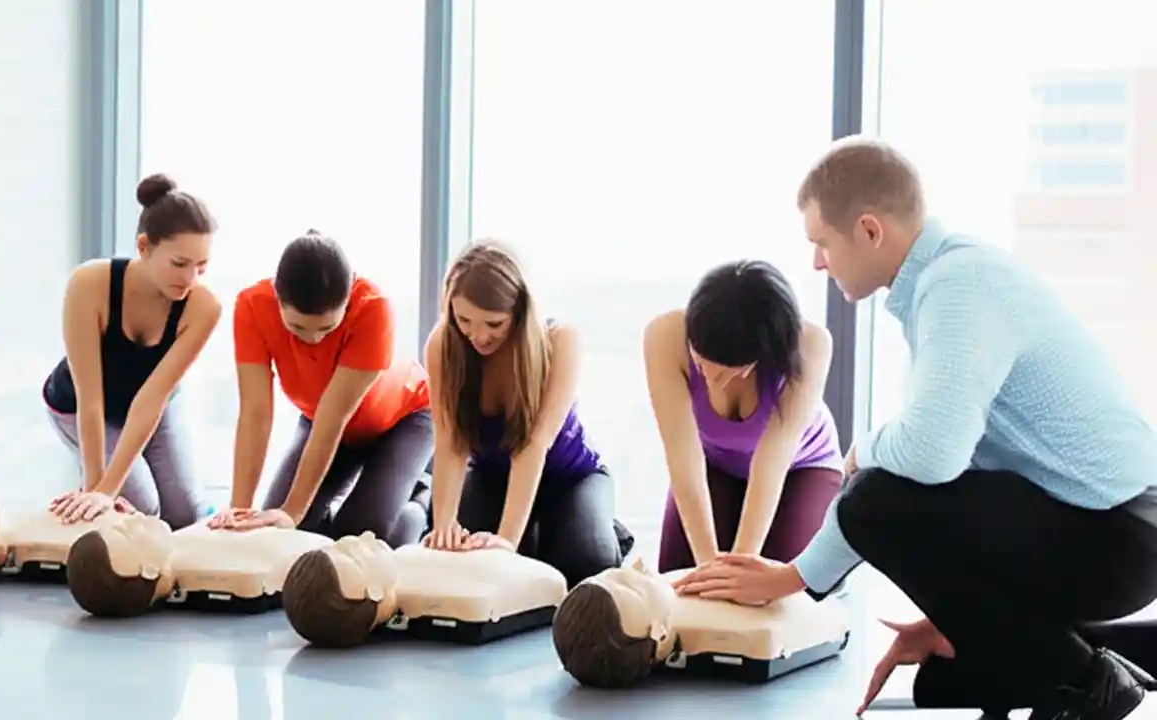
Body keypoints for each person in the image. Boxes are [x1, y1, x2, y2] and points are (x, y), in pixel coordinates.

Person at [680, 137, 1157, 719]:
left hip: (1117, 535)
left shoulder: (958, 288)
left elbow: (930, 457)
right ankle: (1118, 654)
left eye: (822, 242)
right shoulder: (950, 279)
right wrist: (946, 613)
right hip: (1097, 527)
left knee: (874, 496)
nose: (817, 262)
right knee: (943, 685)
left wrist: (861, 453)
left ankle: (1090, 683)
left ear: (870, 230)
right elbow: (957, 469)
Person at [208, 231, 433, 547]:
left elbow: (334, 417)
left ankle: (421, 497)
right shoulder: (252, 306)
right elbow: (256, 413)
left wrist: (293, 511)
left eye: (327, 328)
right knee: (276, 528)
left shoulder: (374, 308)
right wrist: (239, 511)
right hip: (321, 421)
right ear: (277, 297)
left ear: (348, 298)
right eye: (297, 327)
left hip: (404, 420)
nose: (313, 339)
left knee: (360, 534)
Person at [420, 240, 626, 587]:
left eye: (494, 323)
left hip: (572, 477)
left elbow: (533, 444)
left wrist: (507, 543)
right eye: (465, 319)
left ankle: (594, 530)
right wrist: (443, 524)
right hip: (492, 477)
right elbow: (450, 443)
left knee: (585, 564)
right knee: (460, 559)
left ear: (519, 312)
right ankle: (531, 535)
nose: (478, 336)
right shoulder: (443, 345)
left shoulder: (560, 341)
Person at [644, 259, 842, 582]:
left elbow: (772, 462)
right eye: (699, 360)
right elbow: (683, 458)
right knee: (680, 577)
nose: (707, 375)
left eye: (724, 370)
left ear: (757, 358)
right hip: (716, 462)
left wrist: (739, 569)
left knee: (778, 584)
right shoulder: (664, 336)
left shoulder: (811, 345)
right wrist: (711, 570)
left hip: (801, 466)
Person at [44, 174, 220, 529]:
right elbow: (89, 399)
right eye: (179, 263)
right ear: (144, 247)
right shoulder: (88, 284)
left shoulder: (204, 308)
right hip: (81, 406)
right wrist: (98, 490)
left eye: (200, 267)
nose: (190, 280)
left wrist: (106, 490)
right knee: (140, 508)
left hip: (151, 407)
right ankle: (82, 490)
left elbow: (152, 400)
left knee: (183, 515)